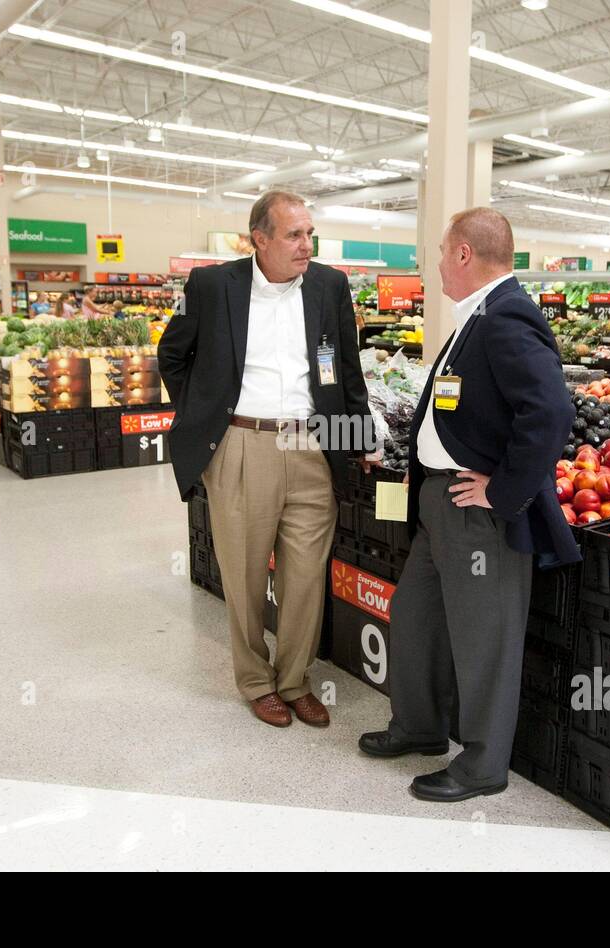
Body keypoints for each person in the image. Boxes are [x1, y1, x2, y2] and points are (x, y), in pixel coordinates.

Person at [358, 207, 580, 802]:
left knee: (484, 636)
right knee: (415, 617)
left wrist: (503, 490)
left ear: (463, 254)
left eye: (439, 252)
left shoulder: (507, 317)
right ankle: (421, 727)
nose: (434, 265)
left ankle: (482, 764)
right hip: (439, 503)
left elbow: (551, 412)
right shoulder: (477, 316)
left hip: (476, 513)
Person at [160, 191, 375, 729]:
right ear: (259, 238)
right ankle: (256, 681)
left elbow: (346, 369)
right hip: (242, 445)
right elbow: (172, 353)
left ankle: (295, 679)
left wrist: (359, 434)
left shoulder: (330, 286)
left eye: (310, 234)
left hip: (311, 446)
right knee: (246, 574)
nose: (307, 245)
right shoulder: (211, 286)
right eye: (294, 235)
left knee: (306, 575)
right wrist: (206, 415)